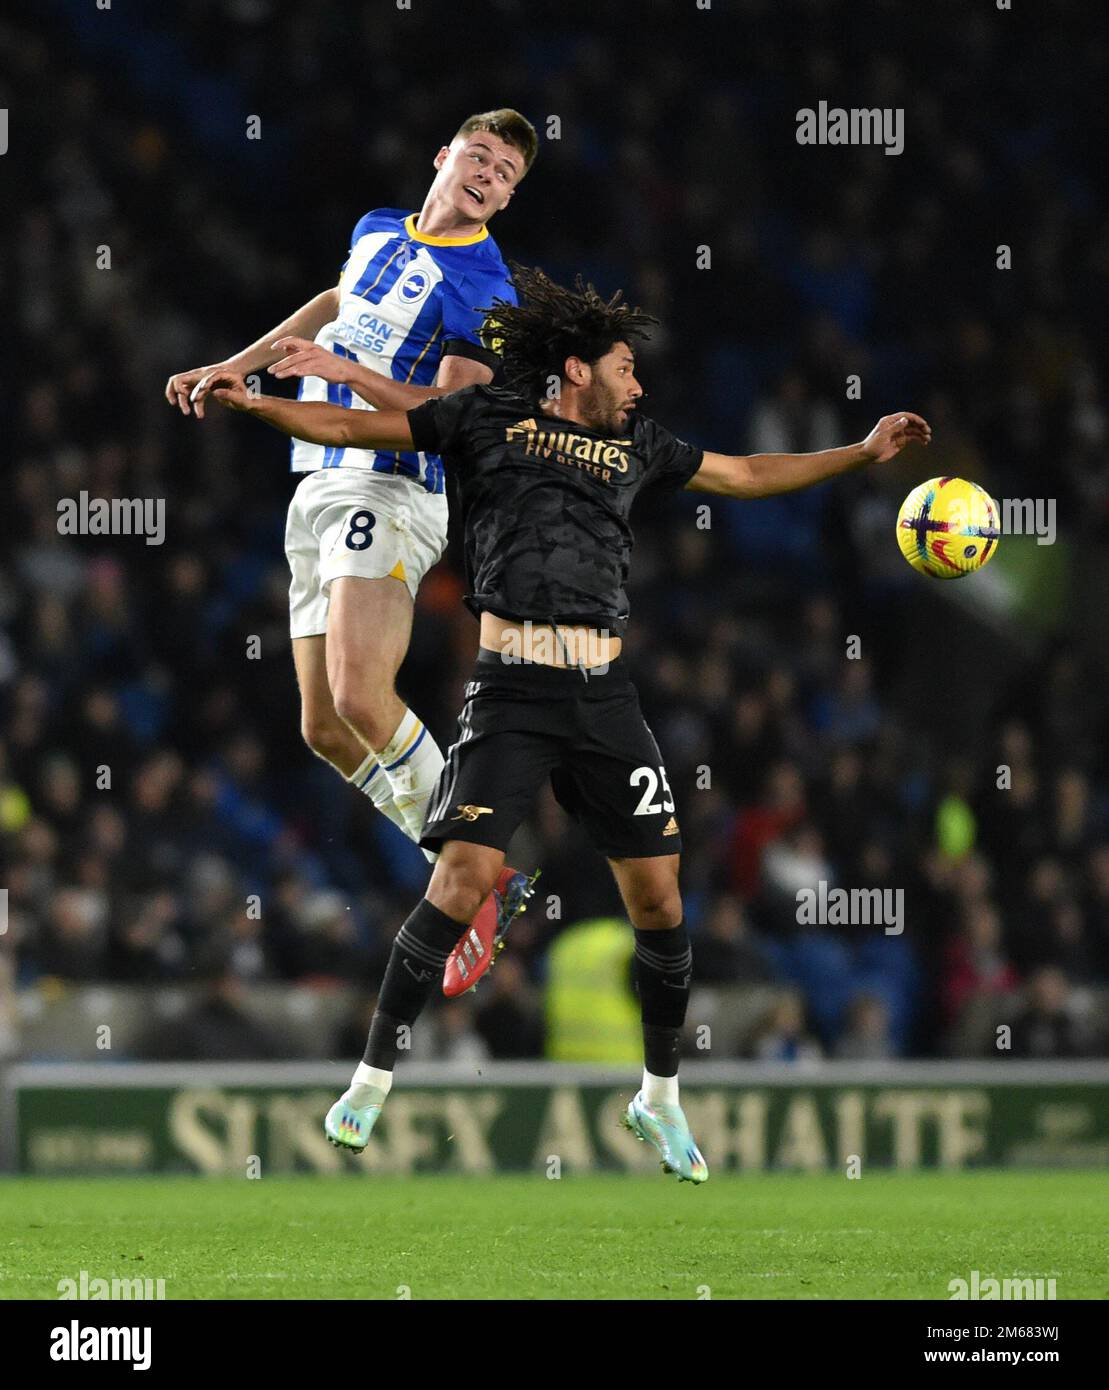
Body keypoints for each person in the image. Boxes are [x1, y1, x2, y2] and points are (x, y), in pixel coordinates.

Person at [193, 265, 931, 1183]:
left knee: (659, 903)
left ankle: (658, 1099)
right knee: (461, 880)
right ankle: (370, 1082)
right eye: (627, 366)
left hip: (603, 700)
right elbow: (348, 425)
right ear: (577, 368)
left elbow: (744, 472)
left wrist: (859, 454)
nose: (640, 383)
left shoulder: (642, 446)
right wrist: (255, 400)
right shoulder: (487, 420)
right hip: (510, 692)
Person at [166, 110, 540, 985]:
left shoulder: (487, 292)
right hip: (317, 485)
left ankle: (472, 865)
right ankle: (486, 875)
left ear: (508, 198)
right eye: (479, 156)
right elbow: (336, 304)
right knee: (324, 727)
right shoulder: (375, 229)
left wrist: (338, 376)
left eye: (506, 174)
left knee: (362, 696)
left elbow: (435, 424)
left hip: (391, 488)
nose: (487, 175)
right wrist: (242, 363)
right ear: (442, 157)